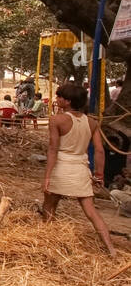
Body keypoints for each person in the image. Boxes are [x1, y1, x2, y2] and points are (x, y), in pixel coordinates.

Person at [42, 83, 116, 255]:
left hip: (61, 167)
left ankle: (47, 243)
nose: (57, 99)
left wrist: (47, 176)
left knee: (50, 206)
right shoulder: (92, 122)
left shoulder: (56, 120)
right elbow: (99, 150)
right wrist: (99, 174)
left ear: (67, 101)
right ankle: (111, 249)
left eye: (60, 96)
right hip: (81, 168)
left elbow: (53, 148)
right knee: (91, 212)